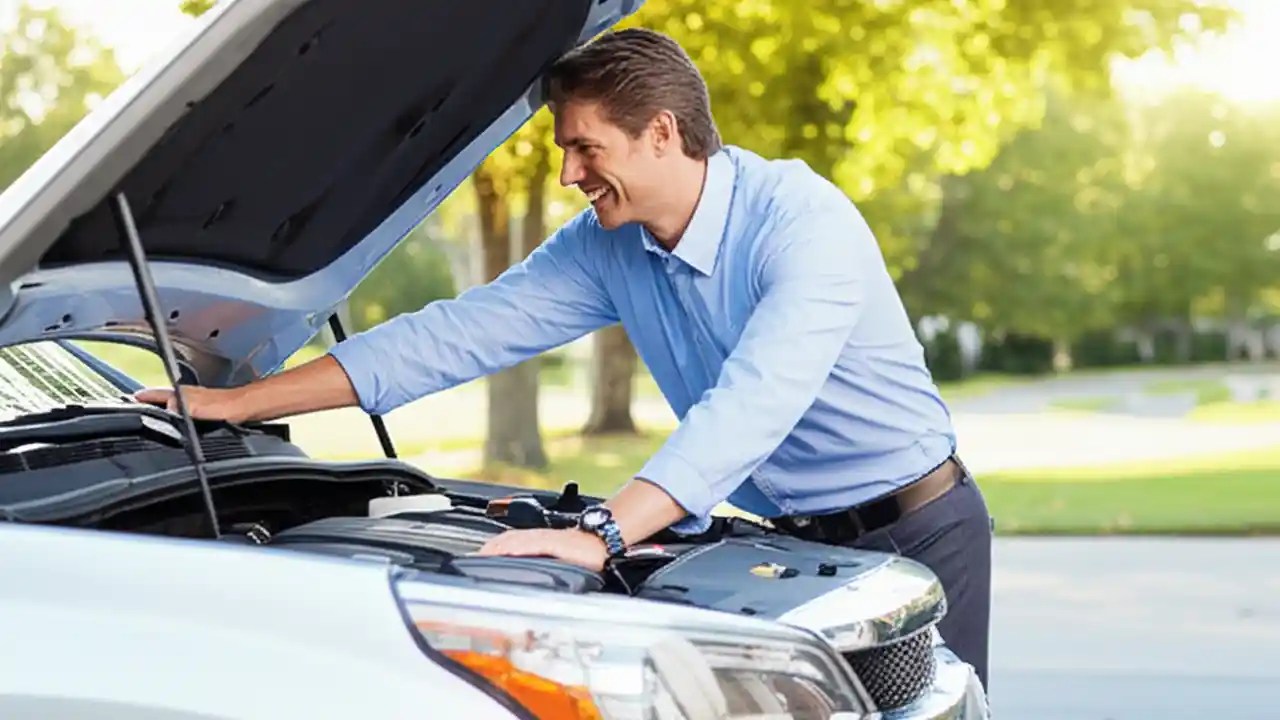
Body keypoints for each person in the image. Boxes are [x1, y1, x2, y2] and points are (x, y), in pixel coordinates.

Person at [136, 28, 992, 687]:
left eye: (587, 149)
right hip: (779, 549)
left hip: (917, 531)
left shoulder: (804, 224)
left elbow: (754, 405)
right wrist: (237, 404)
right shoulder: (604, 246)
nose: (570, 174)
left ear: (661, 132)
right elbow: (457, 334)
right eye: (565, 151)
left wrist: (604, 532)